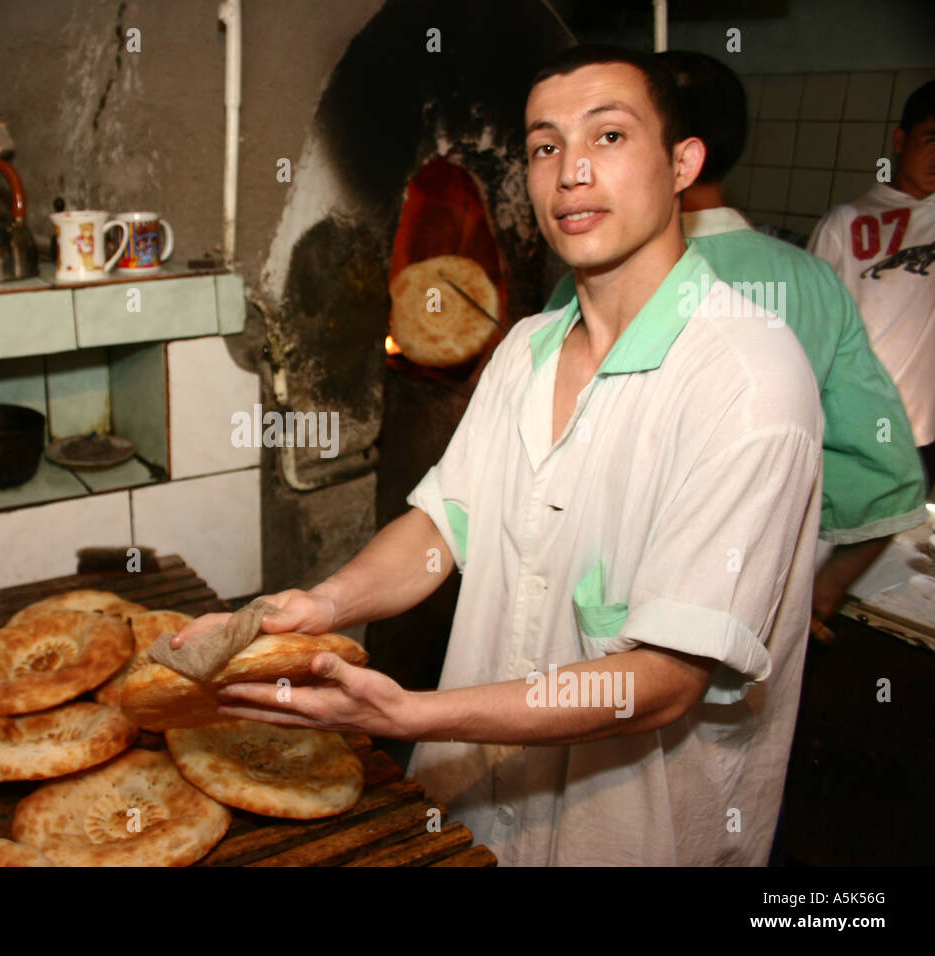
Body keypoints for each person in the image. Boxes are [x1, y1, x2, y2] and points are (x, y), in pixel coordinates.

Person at [170, 46, 823, 866]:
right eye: (546, 146)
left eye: (610, 137)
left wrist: (410, 716)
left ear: (683, 162)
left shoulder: (747, 381)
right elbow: (445, 526)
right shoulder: (525, 347)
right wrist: (322, 605)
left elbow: (662, 681)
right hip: (475, 816)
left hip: (626, 837)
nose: (571, 173)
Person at [543, 52, 928, 641]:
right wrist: (819, 599)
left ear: (676, 154)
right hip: (753, 624)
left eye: (611, 135)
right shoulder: (813, 284)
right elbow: (886, 482)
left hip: (593, 624)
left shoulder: (589, 286)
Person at [809, 80, 935, 489]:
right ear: (901, 140)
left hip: (924, 433)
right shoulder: (845, 222)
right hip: (854, 427)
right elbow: (812, 327)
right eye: (930, 140)